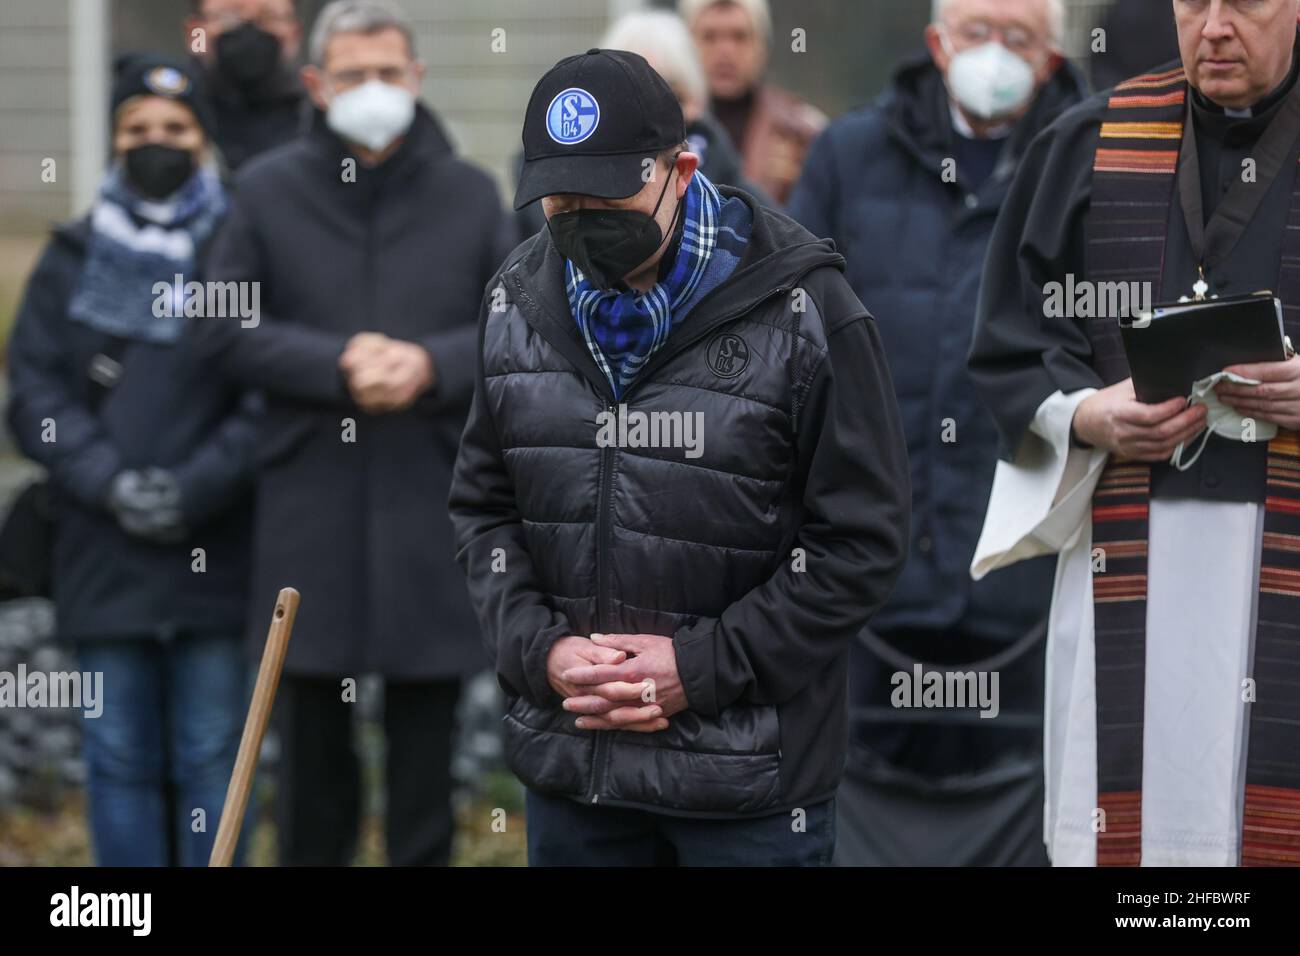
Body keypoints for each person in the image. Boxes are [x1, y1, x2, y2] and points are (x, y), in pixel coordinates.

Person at [449, 48, 909, 866]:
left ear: (681, 168)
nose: (582, 217)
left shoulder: (807, 309)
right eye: (560, 198)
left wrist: (698, 668)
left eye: (609, 195)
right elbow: (485, 512)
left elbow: (859, 542)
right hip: (573, 774)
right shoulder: (512, 301)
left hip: (748, 789)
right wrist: (541, 651)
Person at [969, 0, 1300, 866]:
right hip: (1129, 556)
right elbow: (1009, 341)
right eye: (1196, 3)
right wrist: (1084, 413)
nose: (1216, 26)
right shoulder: (1091, 142)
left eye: (1246, 3)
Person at [191, 0, 512, 866]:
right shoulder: (264, 192)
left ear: (418, 80)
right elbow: (220, 324)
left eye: (389, 73)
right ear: (314, 84)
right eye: (353, 75)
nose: (374, 90)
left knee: (424, 772)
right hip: (311, 512)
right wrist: (336, 362)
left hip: (429, 502)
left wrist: (431, 365)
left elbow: (518, 331)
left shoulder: (472, 195)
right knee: (311, 779)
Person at [787, 0, 1082, 866]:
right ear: (936, 44)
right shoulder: (848, 155)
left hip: (1027, 564)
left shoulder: (1092, 159)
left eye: (1018, 37)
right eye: (976, 32)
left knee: (1030, 810)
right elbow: (791, 324)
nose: (994, 54)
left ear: (1053, 58)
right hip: (874, 566)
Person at [6, 54, 257, 866]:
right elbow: (35, 392)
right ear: (112, 141)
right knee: (116, 759)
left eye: (175, 129)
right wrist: (109, 482)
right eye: (136, 129)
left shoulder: (242, 253)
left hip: (216, 548)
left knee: (213, 754)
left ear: (204, 140)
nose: (156, 143)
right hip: (100, 551)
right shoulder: (70, 256)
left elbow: (267, 392)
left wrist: (195, 486)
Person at [514, 8, 770, 240]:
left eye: (669, 95)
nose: (651, 113)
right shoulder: (549, 175)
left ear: (694, 100)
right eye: (629, 97)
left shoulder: (724, 169)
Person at [679, 0, 826, 204]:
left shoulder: (802, 131)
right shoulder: (670, 126)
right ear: (686, 44)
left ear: (762, 45)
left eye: (740, 37)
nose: (725, 51)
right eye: (710, 37)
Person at [186, 0, 307, 171]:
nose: (248, 28)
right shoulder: (164, 113)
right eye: (228, 16)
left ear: (295, 33)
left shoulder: (322, 118)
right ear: (194, 32)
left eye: (269, 17)